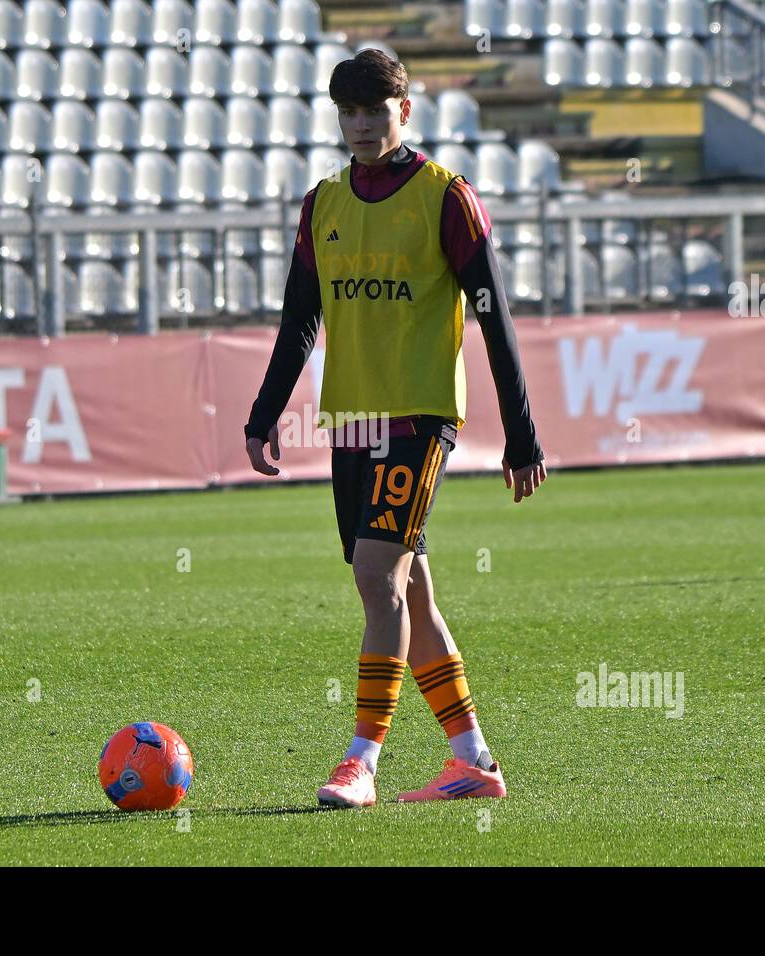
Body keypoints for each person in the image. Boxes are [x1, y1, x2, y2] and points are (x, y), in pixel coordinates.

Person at [244, 50, 546, 808]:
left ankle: (361, 761)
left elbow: (494, 316)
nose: (361, 125)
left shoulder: (446, 197)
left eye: (375, 111)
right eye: (348, 112)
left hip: (419, 416)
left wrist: (522, 434)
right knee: (409, 592)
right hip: (351, 418)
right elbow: (300, 317)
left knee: (378, 580)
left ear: (403, 111)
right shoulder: (322, 204)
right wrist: (265, 412)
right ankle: (472, 761)